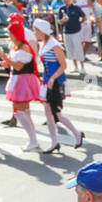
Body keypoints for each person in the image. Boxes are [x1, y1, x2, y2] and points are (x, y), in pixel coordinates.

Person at [32, 19, 84, 154]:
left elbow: (63, 66)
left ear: (41, 31)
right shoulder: (43, 44)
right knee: (48, 113)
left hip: (55, 82)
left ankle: (76, 134)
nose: (34, 32)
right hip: (48, 81)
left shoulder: (54, 45)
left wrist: (53, 79)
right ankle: (54, 142)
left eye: (35, 30)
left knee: (56, 113)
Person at [0, 19, 41, 151]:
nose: (9, 36)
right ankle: (33, 140)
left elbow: (19, 66)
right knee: (24, 112)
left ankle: (33, 140)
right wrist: (6, 62)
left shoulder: (25, 47)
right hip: (19, 79)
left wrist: (4, 57)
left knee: (19, 112)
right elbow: (15, 63)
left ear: (16, 34)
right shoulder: (17, 47)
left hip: (23, 80)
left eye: (10, 33)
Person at [58, 0, 87, 75]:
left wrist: (79, 23)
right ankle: (76, 67)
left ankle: (82, 67)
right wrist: (62, 20)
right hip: (66, 32)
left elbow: (84, 17)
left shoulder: (76, 8)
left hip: (76, 32)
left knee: (79, 50)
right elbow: (59, 22)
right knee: (70, 50)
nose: (66, 0)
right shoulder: (61, 9)